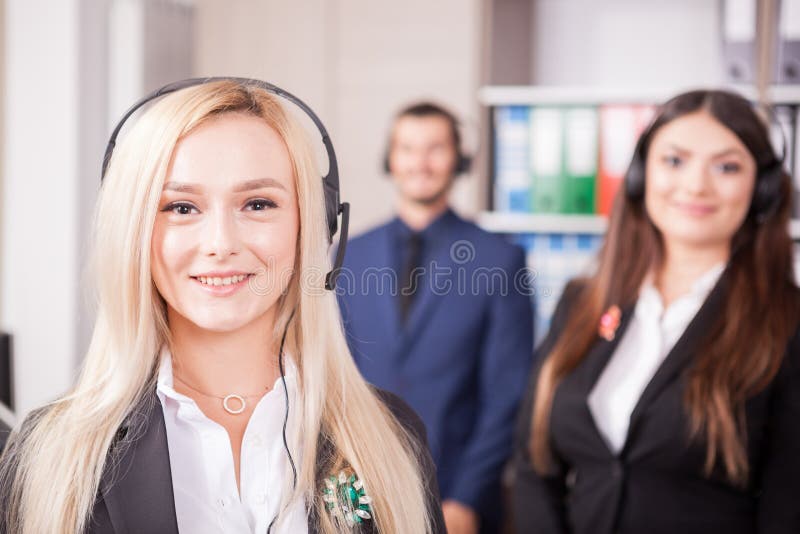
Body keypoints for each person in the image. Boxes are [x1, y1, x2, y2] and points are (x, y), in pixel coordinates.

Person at [0, 78, 446, 534]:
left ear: (313, 225)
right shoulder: (46, 453)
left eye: (257, 203)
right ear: (131, 231)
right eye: (181, 207)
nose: (221, 243)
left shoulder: (391, 437)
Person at [511, 89, 800, 534]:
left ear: (761, 190)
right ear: (640, 176)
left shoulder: (787, 320)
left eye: (726, 167)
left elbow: (788, 502)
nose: (696, 185)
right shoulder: (582, 302)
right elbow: (534, 464)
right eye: (674, 160)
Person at [337, 102, 534, 534]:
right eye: (407, 148)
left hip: (456, 495)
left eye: (435, 148)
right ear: (390, 159)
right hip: (360, 493)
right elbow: (336, 381)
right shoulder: (350, 256)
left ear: (458, 158)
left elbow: (509, 393)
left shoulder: (500, 260)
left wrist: (467, 497)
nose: (420, 163)